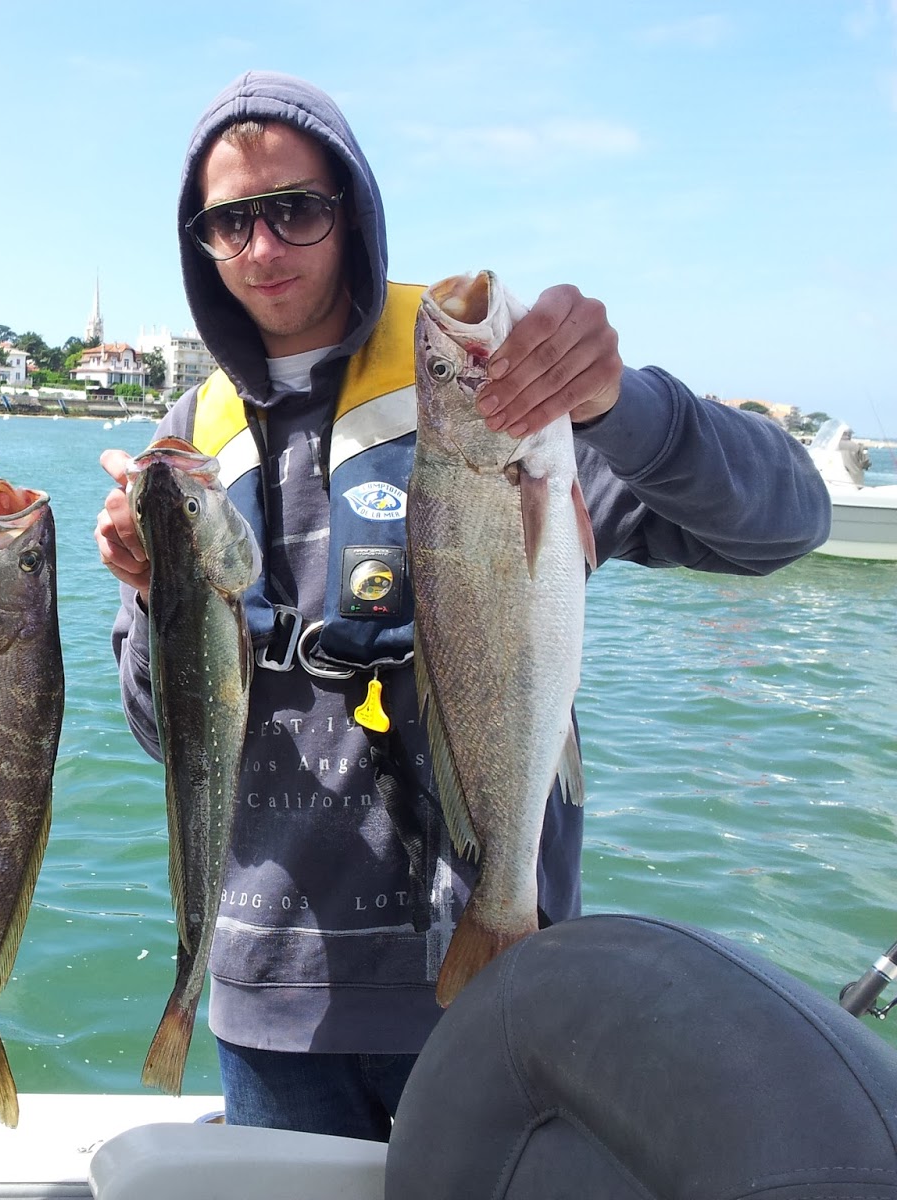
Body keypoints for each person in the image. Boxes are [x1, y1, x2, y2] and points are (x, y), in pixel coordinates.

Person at [93, 71, 831, 1142]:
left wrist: (618, 403)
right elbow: (166, 735)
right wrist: (148, 595)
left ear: (353, 210)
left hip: (491, 984)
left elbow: (785, 522)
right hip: (269, 1008)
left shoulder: (507, 395)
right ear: (198, 241)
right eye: (230, 222)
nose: (262, 248)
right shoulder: (186, 442)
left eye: (295, 209)